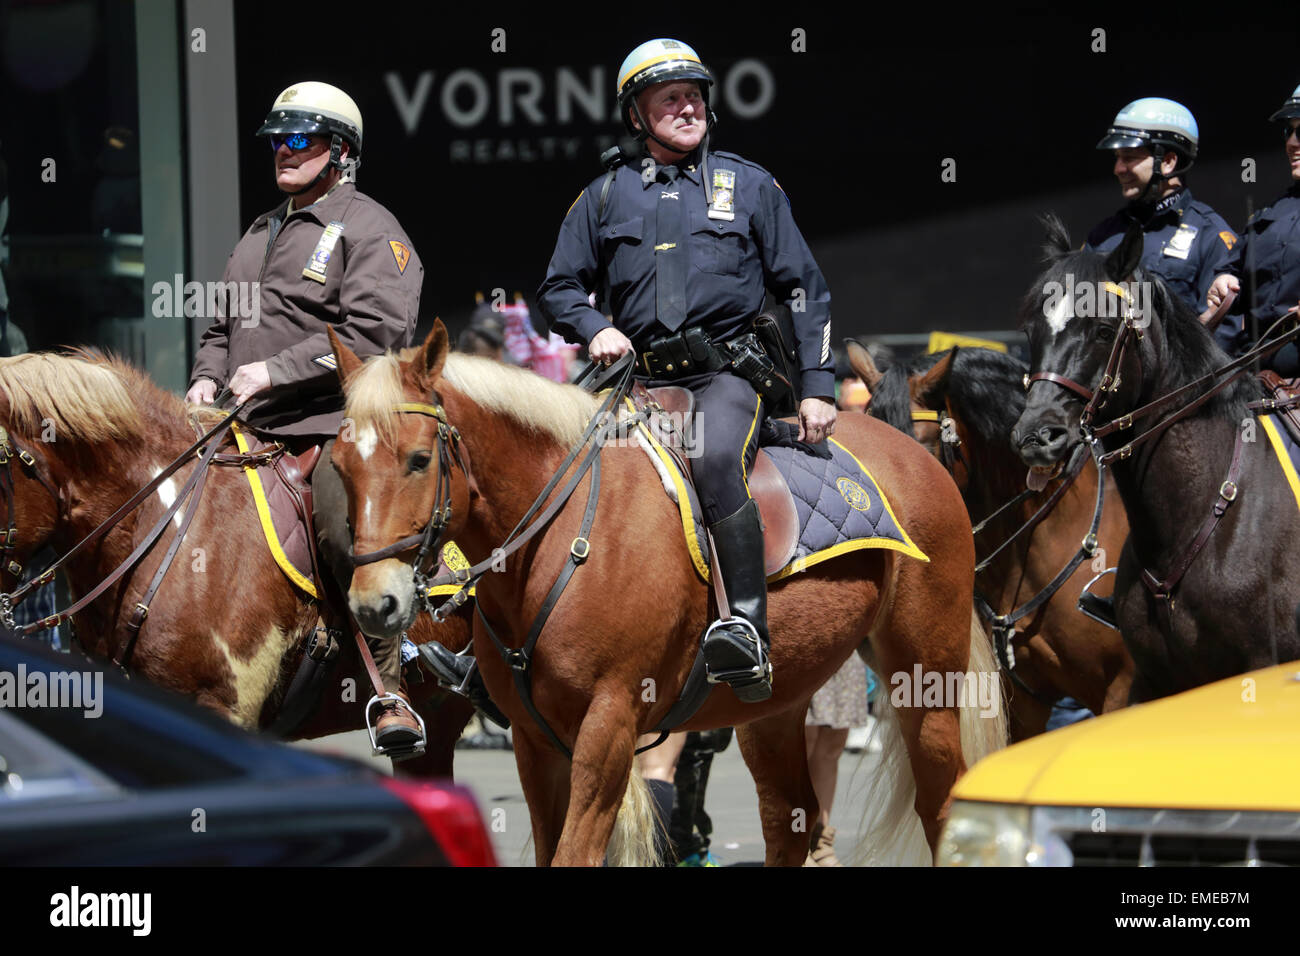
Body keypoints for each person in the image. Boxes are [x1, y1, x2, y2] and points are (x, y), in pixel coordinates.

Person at [533, 37, 836, 701]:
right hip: (635, 382)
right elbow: (557, 290)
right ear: (636, 115)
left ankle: (745, 629)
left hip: (725, 376)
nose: (686, 106)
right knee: (549, 462)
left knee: (718, 457)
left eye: (695, 95)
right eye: (669, 97)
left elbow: (804, 288)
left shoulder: (752, 184)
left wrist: (818, 387)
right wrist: (596, 327)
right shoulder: (603, 195)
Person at [185, 81, 425, 756]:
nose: (282, 152)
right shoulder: (259, 231)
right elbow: (220, 325)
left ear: (339, 151)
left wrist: (276, 370)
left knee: (346, 528)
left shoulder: (373, 229)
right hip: (236, 426)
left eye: (299, 139)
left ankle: (390, 686)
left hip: (327, 429)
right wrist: (207, 375)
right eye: (275, 141)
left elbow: (376, 333)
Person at [1086, 98, 1236, 314]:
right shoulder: (1101, 236)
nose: (1118, 168)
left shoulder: (1211, 238)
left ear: (1168, 162)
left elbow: (1221, 339)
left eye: (1129, 157)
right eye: (1117, 157)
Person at [1206, 84, 1300, 374]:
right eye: (1289, 131)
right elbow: (1231, 266)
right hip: (1252, 370)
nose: (1292, 143)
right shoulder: (1273, 211)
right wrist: (1223, 279)